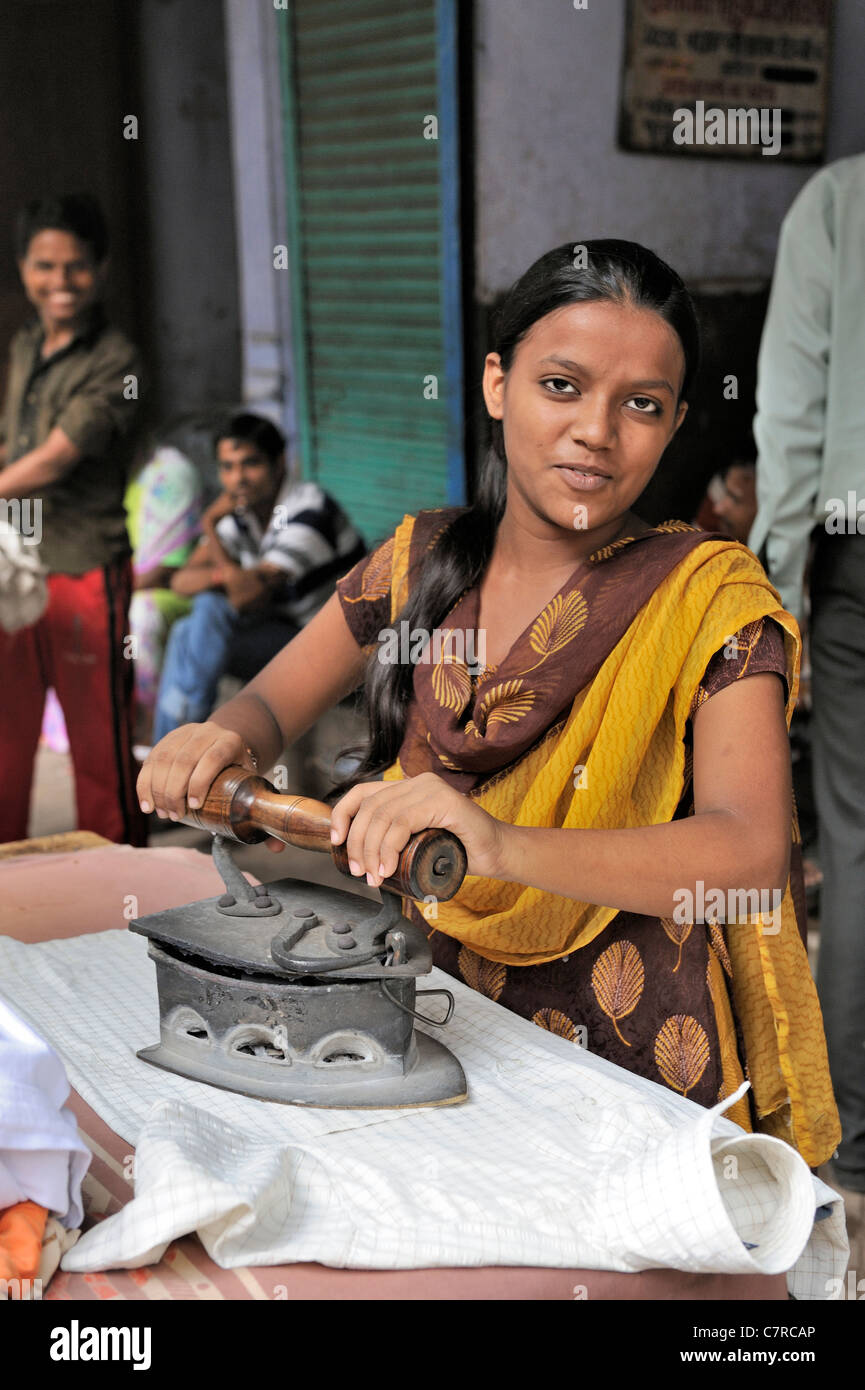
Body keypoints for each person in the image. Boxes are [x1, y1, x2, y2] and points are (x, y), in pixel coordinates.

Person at [138, 241, 839, 1167]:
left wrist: (497, 843)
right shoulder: (420, 561)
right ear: (496, 383)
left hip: (637, 1074)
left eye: (641, 405)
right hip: (436, 1025)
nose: (596, 430)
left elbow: (748, 856)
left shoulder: (707, 595)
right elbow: (270, 702)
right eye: (561, 385)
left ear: (672, 426)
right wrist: (218, 736)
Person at [749, 154, 865, 1192]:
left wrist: (774, 586)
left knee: (858, 847)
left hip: (856, 543)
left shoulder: (840, 201)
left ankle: (853, 1151)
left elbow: (790, 413)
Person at [0, 193, 145, 845]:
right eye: (44, 266)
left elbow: (55, 460)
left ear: (102, 268)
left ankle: (121, 897)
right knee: (6, 734)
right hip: (18, 567)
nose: (60, 282)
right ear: (23, 268)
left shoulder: (115, 360)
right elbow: (19, 447)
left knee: (99, 749)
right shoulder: (26, 344)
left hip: (85, 569)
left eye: (76, 266)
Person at [152, 412, 365, 743]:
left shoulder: (309, 512)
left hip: (336, 644)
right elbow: (181, 581)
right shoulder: (243, 515)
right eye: (227, 467)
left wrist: (209, 524)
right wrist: (224, 572)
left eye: (250, 464)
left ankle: (177, 741)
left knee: (205, 617)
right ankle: (174, 741)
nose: (238, 478)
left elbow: (244, 597)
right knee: (193, 624)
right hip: (286, 632)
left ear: (279, 463)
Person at [125, 438, 204, 746]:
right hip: (120, 584)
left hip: (157, 591)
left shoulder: (170, 473)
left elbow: (167, 569)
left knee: (138, 618)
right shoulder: (100, 473)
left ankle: (147, 736)